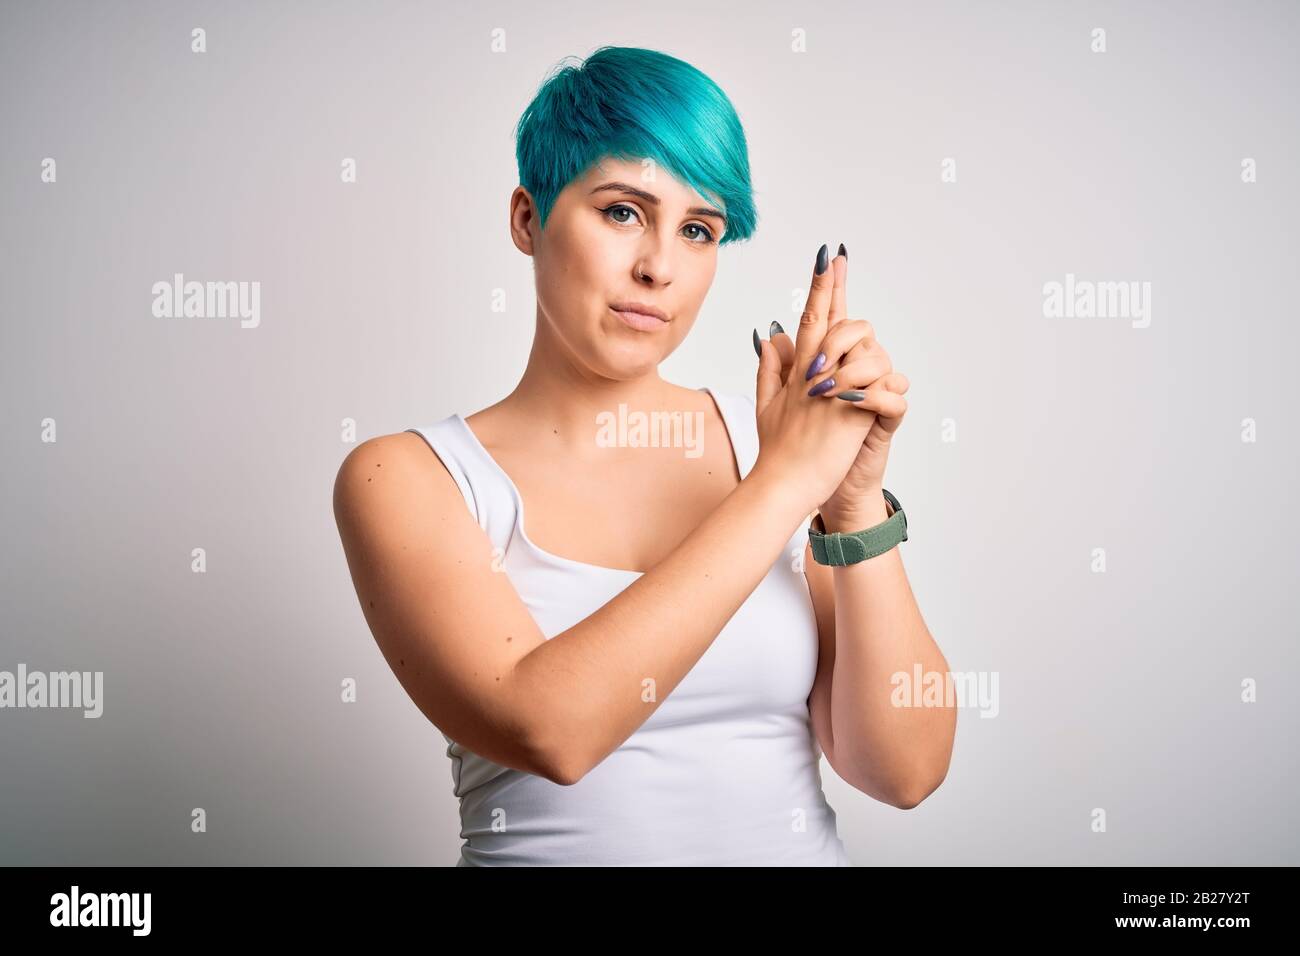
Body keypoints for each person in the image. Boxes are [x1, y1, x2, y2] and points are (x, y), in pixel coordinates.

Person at [333, 45, 954, 866]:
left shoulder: (769, 444)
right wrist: (786, 484)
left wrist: (852, 505)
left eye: (698, 229)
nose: (659, 267)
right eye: (622, 211)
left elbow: (904, 771)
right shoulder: (409, 478)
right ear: (528, 218)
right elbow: (553, 731)